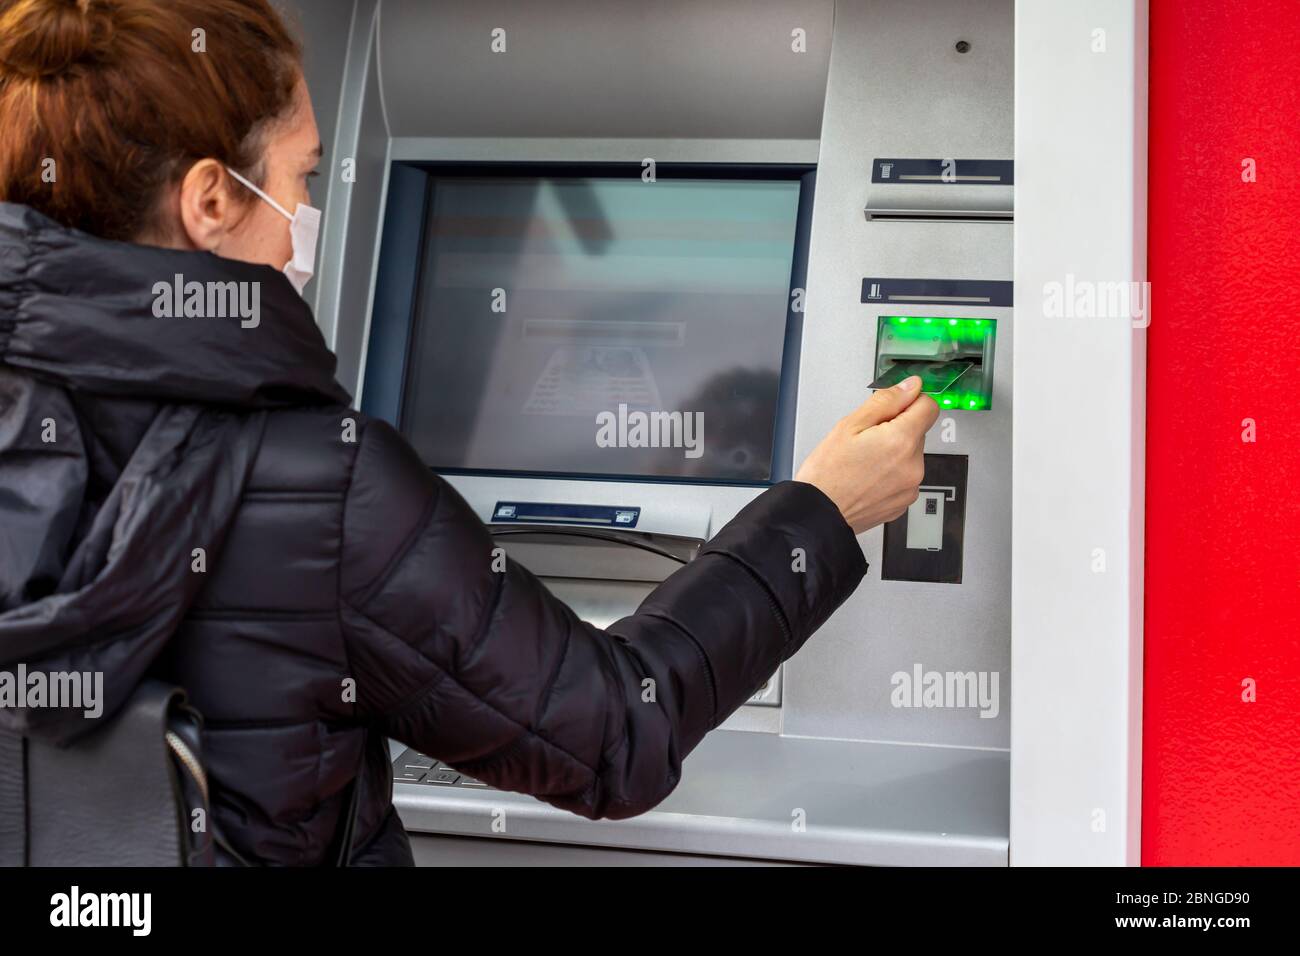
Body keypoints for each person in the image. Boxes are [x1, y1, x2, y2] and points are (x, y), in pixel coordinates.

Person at [0, 0, 938, 865]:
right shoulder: (315, 488)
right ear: (211, 201)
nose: (302, 232)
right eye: (301, 179)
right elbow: (615, 734)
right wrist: (819, 514)